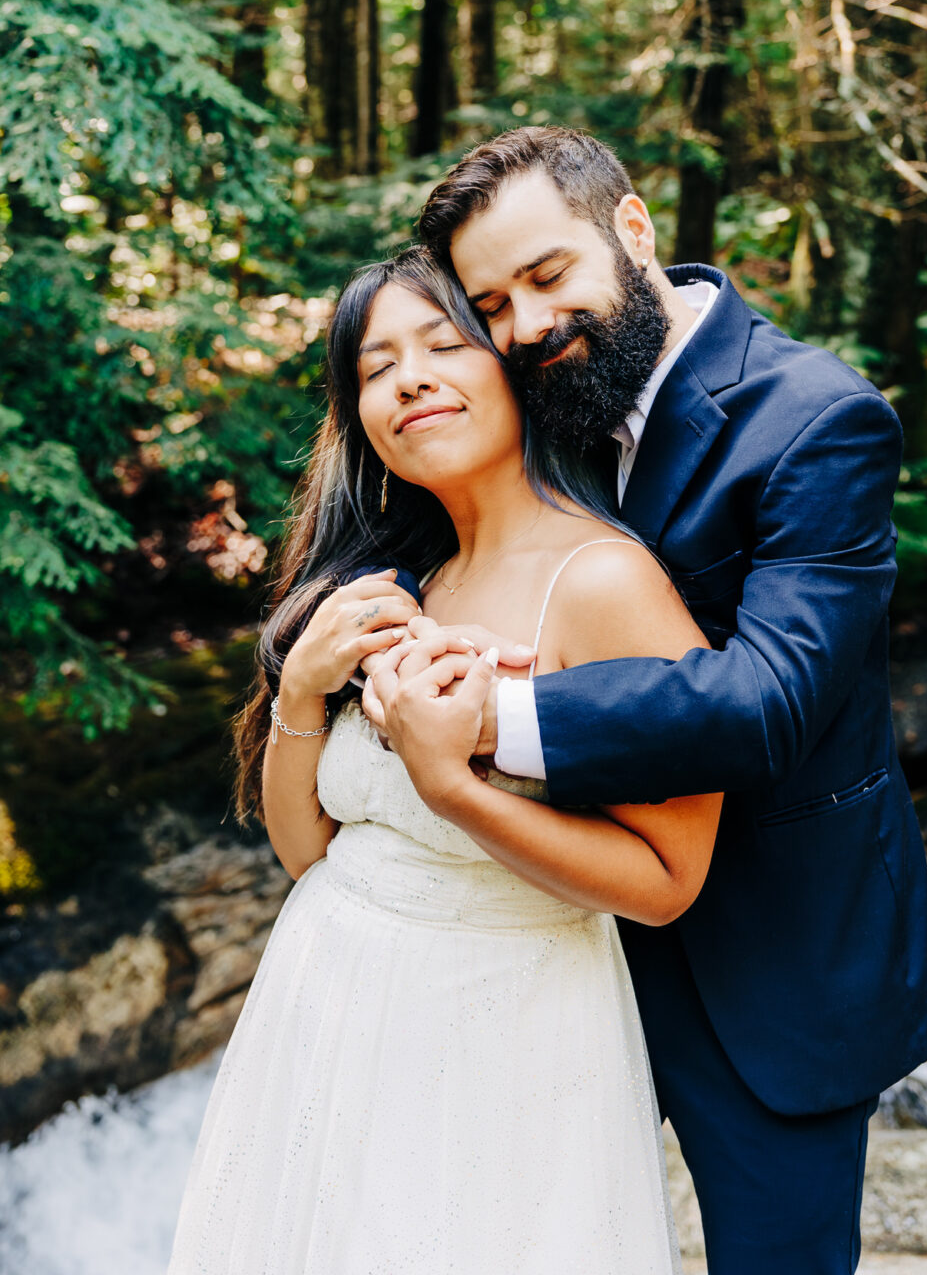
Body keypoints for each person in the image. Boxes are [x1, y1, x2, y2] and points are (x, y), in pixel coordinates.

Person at [367, 127, 927, 1275]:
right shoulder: (541, 397)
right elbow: (435, 531)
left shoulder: (817, 419)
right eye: (492, 302)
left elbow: (769, 702)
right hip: (557, 935)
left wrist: (488, 721)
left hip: (780, 957)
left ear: (631, 230)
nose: (528, 323)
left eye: (549, 276)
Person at [167, 247, 721, 1275]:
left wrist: (451, 786)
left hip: (499, 1036)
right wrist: (299, 688)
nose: (407, 379)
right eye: (376, 368)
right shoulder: (400, 574)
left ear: (514, 368)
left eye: (441, 344)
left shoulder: (604, 583)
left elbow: (666, 883)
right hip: (322, 1003)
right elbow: (311, 855)